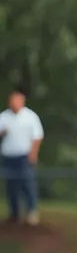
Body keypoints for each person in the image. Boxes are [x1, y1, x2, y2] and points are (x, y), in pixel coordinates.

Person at [0, 86, 44, 225]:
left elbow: (37, 136)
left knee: (28, 184)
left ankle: (31, 212)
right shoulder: (3, 117)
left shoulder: (30, 117)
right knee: (11, 186)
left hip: (24, 156)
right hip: (8, 156)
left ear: (22, 101)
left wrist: (33, 153)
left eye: (17, 99)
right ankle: (14, 214)